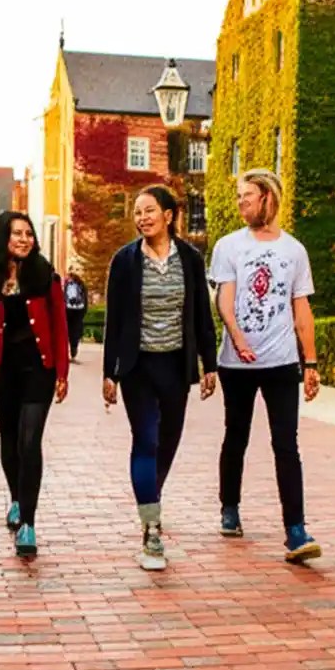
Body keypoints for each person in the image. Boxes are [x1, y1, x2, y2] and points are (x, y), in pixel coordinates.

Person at [102, 184, 218, 571]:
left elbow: (202, 313)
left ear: (168, 216)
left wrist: (210, 364)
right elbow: (114, 320)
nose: (142, 218)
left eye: (149, 210)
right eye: (137, 212)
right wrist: (109, 373)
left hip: (175, 365)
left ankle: (150, 495)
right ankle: (151, 530)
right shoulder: (124, 261)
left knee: (168, 441)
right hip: (137, 367)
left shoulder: (190, 258)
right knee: (146, 440)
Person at [209, 168, 322, 564]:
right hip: (236, 364)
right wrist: (238, 341)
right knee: (235, 435)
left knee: (285, 444)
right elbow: (225, 299)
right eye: (239, 196)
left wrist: (310, 362)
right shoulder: (228, 246)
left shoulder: (294, 250)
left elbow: (302, 308)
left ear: (268, 199)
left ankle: (295, 529)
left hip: (280, 362)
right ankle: (229, 507)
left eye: (247, 196)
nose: (240, 202)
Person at [0, 211, 69, 557]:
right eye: (17, 234)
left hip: (38, 371)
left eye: (29, 233)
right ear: (2, 238)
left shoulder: (45, 275)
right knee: (9, 441)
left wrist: (62, 373)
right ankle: (15, 497)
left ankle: (28, 522)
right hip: (2, 374)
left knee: (30, 441)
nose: (25, 239)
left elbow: (59, 325)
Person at [63, 272, 88, 361]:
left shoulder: (72, 285)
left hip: (72, 310)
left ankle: (73, 351)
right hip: (75, 310)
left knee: (72, 332)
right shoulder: (80, 285)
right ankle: (73, 352)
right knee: (73, 332)